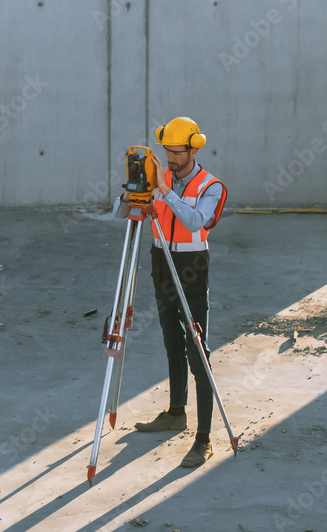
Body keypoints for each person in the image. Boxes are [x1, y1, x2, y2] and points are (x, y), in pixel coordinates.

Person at [113, 116, 225, 468]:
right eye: (167, 151)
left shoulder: (211, 186)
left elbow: (195, 221)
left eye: (177, 153)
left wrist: (164, 190)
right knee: (171, 343)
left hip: (191, 268)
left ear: (194, 148)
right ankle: (177, 412)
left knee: (197, 349)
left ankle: (203, 438)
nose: (171, 159)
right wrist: (133, 192)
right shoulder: (160, 180)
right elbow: (122, 213)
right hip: (160, 260)